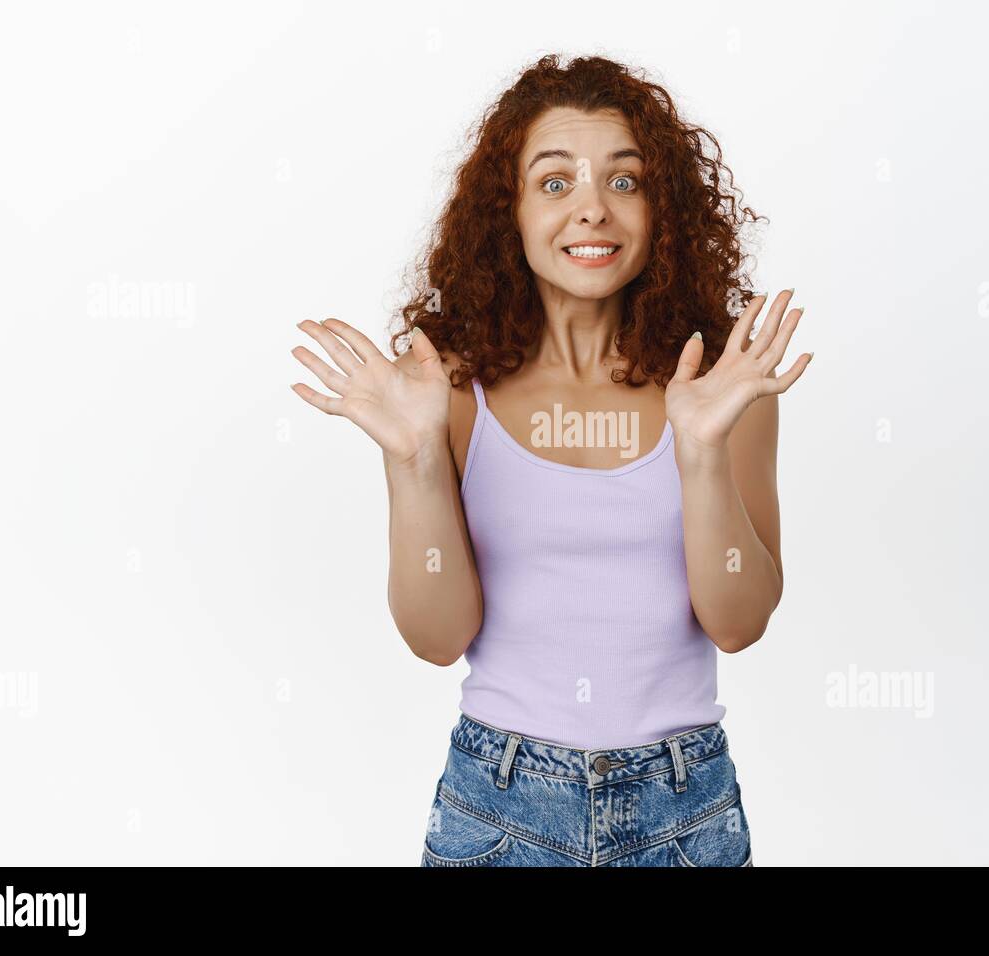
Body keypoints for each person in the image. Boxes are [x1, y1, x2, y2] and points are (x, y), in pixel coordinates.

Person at [289, 54, 812, 866]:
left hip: (685, 813)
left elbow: (739, 625)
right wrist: (417, 457)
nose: (593, 211)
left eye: (625, 182)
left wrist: (702, 455)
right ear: (512, 211)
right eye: (556, 182)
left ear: (662, 209)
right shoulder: (452, 393)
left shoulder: (719, 388)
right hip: (501, 809)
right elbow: (436, 639)